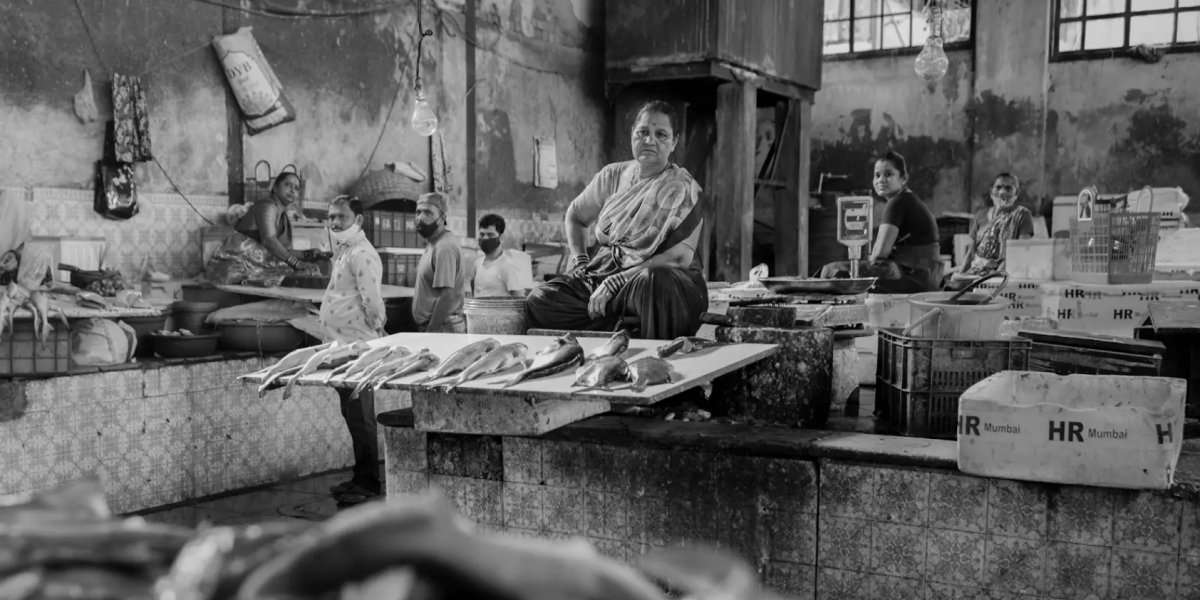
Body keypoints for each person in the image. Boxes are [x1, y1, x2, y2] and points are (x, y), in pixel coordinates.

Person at [525, 100, 708, 340]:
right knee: (541, 299)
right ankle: (614, 331)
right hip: (604, 275)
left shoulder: (684, 188)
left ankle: (653, 356)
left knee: (654, 282)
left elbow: (678, 258)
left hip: (655, 281)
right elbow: (576, 217)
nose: (649, 140)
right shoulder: (611, 175)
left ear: (673, 142)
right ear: (632, 134)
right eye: (642, 132)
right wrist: (580, 260)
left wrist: (618, 280)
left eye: (660, 134)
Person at [320, 195, 386, 505]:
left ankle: (370, 483)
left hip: (358, 347)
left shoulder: (362, 254)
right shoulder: (343, 252)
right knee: (350, 412)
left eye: (341, 218)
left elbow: (372, 300)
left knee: (361, 416)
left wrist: (378, 328)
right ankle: (360, 477)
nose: (334, 223)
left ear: (357, 221)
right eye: (331, 217)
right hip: (339, 346)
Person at [818, 151, 943, 294]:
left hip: (914, 276)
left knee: (834, 270)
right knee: (846, 270)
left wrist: (866, 267)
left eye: (888, 174)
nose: (881, 180)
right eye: (877, 175)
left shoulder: (898, 202)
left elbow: (879, 253)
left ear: (903, 178)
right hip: (928, 277)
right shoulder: (907, 199)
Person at [206, 172, 317, 284]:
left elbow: (282, 251)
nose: (293, 190)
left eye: (297, 188)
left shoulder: (283, 216)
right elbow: (269, 240)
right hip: (238, 262)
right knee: (287, 276)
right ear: (275, 187)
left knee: (304, 272)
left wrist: (309, 254)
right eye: (288, 185)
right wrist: (297, 263)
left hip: (258, 261)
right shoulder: (267, 206)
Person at [958, 173, 1034, 278]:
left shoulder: (1022, 215)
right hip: (976, 274)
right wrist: (959, 277)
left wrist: (994, 278)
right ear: (991, 192)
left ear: (1016, 193)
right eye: (998, 187)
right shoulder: (980, 215)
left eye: (1008, 188)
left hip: (1004, 277)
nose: (1002, 192)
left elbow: (1019, 252)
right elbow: (971, 253)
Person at [413, 192, 468, 333]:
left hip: (443, 328)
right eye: (418, 212)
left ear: (442, 218)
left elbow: (446, 296)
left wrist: (431, 331)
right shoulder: (433, 244)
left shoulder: (444, 247)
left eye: (428, 213)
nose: (420, 218)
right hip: (438, 326)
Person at [472, 214, 524, 298]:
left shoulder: (508, 267)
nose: (485, 238)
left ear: (501, 238)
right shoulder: (478, 264)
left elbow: (520, 301)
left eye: (490, 235)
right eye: (482, 234)